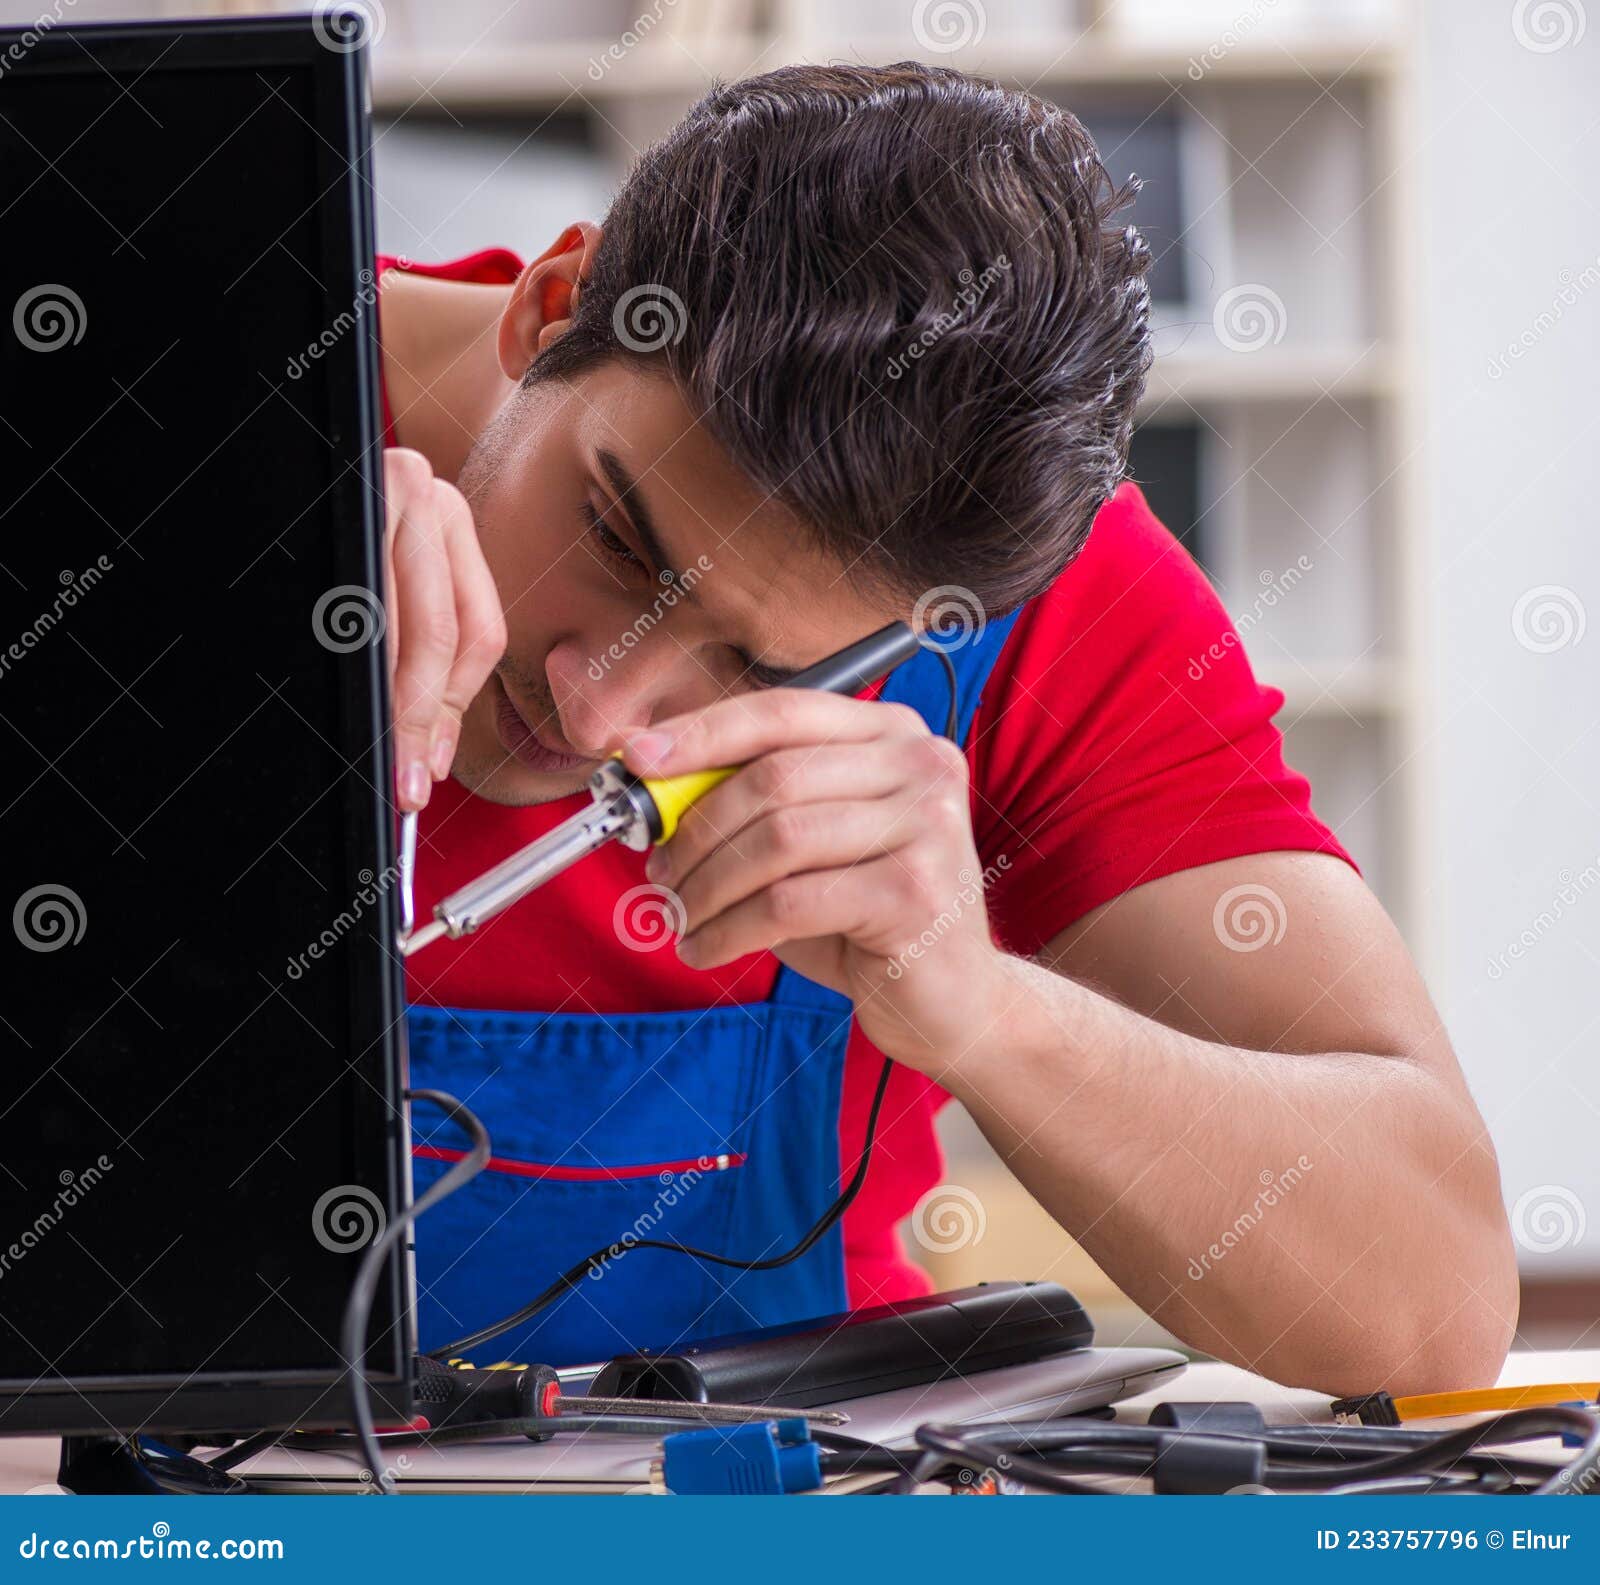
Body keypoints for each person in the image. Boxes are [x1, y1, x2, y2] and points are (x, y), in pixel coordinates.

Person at [375, 62, 1514, 1391]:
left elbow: (1434, 1299)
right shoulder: (176, 407)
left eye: (769, 665)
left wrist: (986, 1014)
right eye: (621, 538)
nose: (602, 703)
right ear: (551, 308)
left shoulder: (1027, 595)